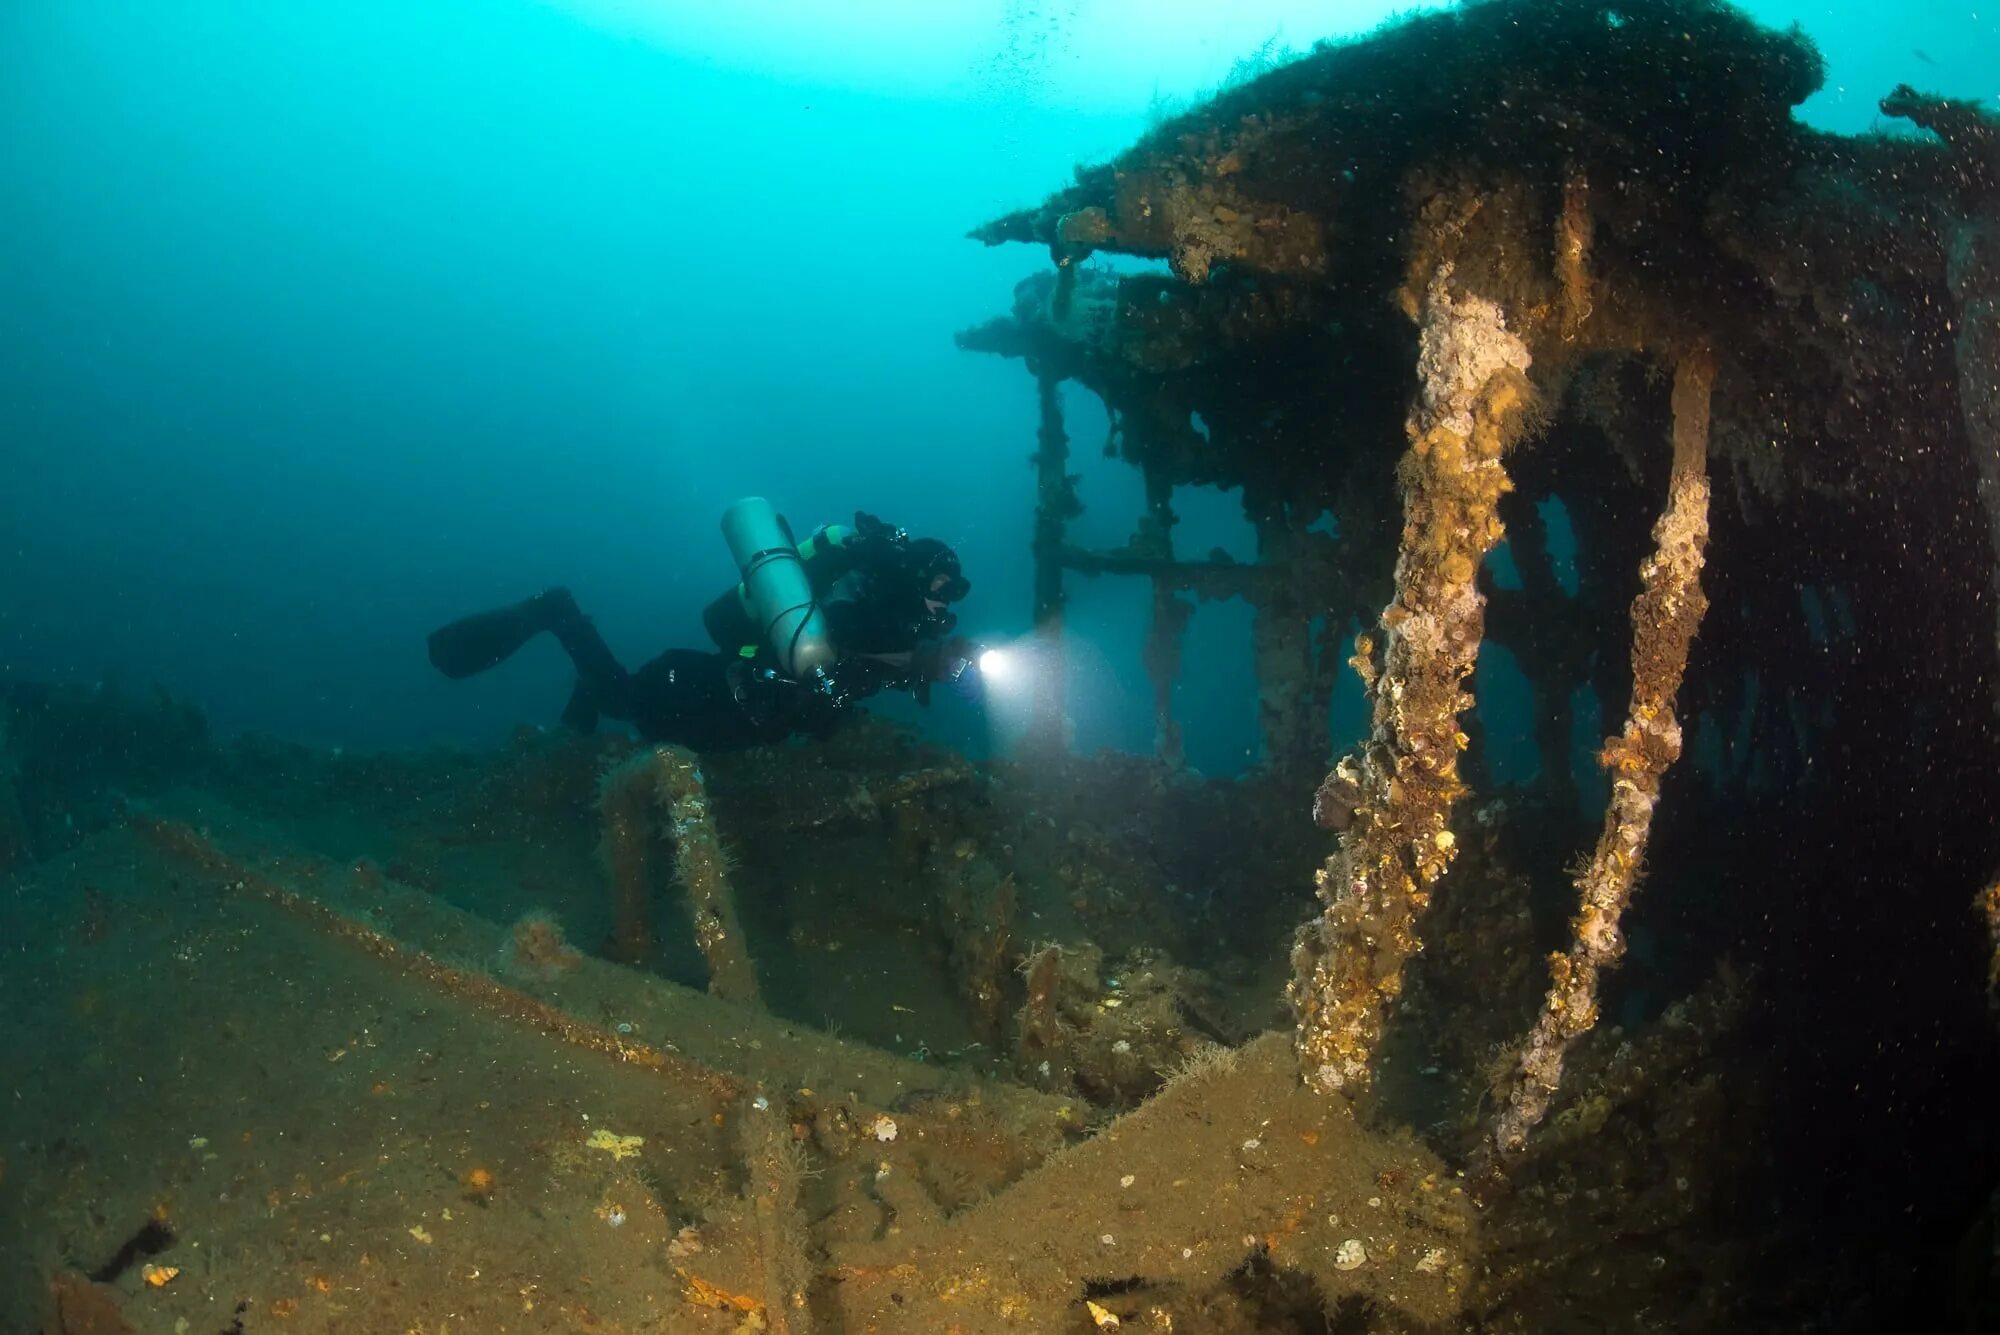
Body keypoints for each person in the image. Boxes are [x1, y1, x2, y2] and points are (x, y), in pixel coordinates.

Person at [426, 510, 975, 751]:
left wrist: (924, 668)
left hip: (718, 699)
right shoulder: (864, 620)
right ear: (914, 577)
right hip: (701, 692)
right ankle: (558, 611)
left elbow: (858, 674)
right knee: (621, 700)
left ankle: (582, 695)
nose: (944, 601)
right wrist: (921, 666)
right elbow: (842, 673)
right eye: (943, 585)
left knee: (621, 703)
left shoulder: (877, 626)